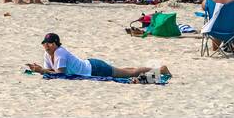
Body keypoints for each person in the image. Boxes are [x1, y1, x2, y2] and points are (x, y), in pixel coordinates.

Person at [27, 33, 169, 82]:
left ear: (56, 44)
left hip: (95, 69)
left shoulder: (60, 53)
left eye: (50, 44)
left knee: (129, 74)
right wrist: (40, 69)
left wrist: (42, 71)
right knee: (125, 70)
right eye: (45, 43)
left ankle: (160, 70)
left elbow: (60, 74)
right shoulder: (48, 54)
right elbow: (48, 70)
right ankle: (157, 69)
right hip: (92, 65)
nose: (46, 46)